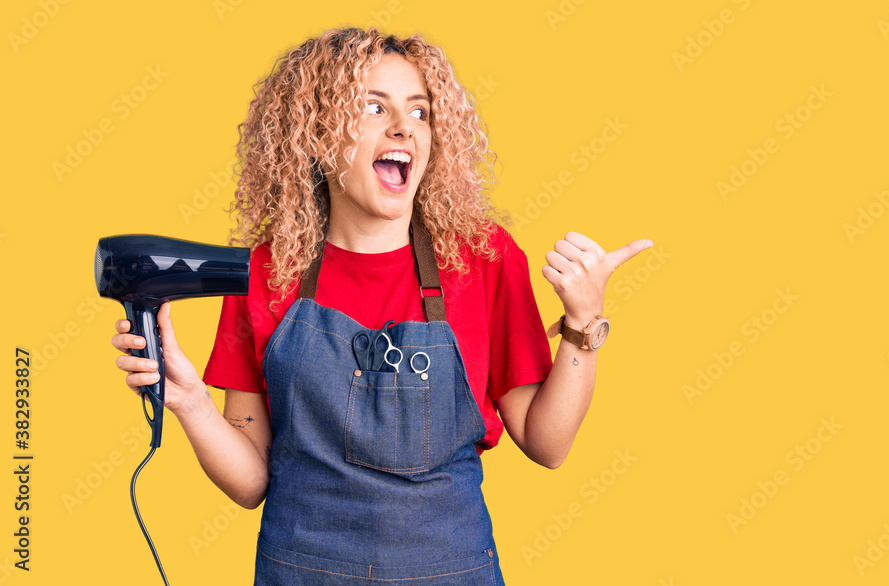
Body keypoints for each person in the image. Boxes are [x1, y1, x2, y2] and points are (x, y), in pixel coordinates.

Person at [111, 28, 651, 584]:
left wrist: (584, 322)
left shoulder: (481, 258)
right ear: (316, 136)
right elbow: (251, 483)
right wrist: (190, 401)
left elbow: (549, 443)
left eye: (419, 112)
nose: (403, 128)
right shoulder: (268, 272)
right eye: (373, 107)